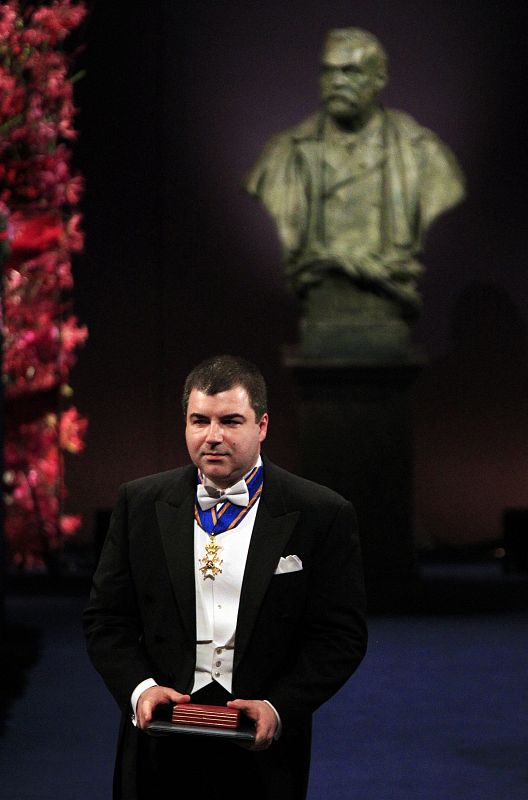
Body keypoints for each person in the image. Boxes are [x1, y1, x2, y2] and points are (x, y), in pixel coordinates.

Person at [83, 354, 368, 800]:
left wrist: (281, 706)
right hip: (158, 741)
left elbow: (341, 636)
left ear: (263, 426)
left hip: (262, 745)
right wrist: (140, 690)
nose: (213, 437)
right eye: (200, 420)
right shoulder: (138, 504)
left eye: (231, 421)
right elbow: (106, 620)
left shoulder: (322, 514)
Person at [243, 27, 466, 359]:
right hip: (320, 314)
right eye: (328, 71)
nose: (337, 81)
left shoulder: (423, 155)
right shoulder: (284, 155)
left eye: (351, 71)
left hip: (388, 318)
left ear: (379, 79)